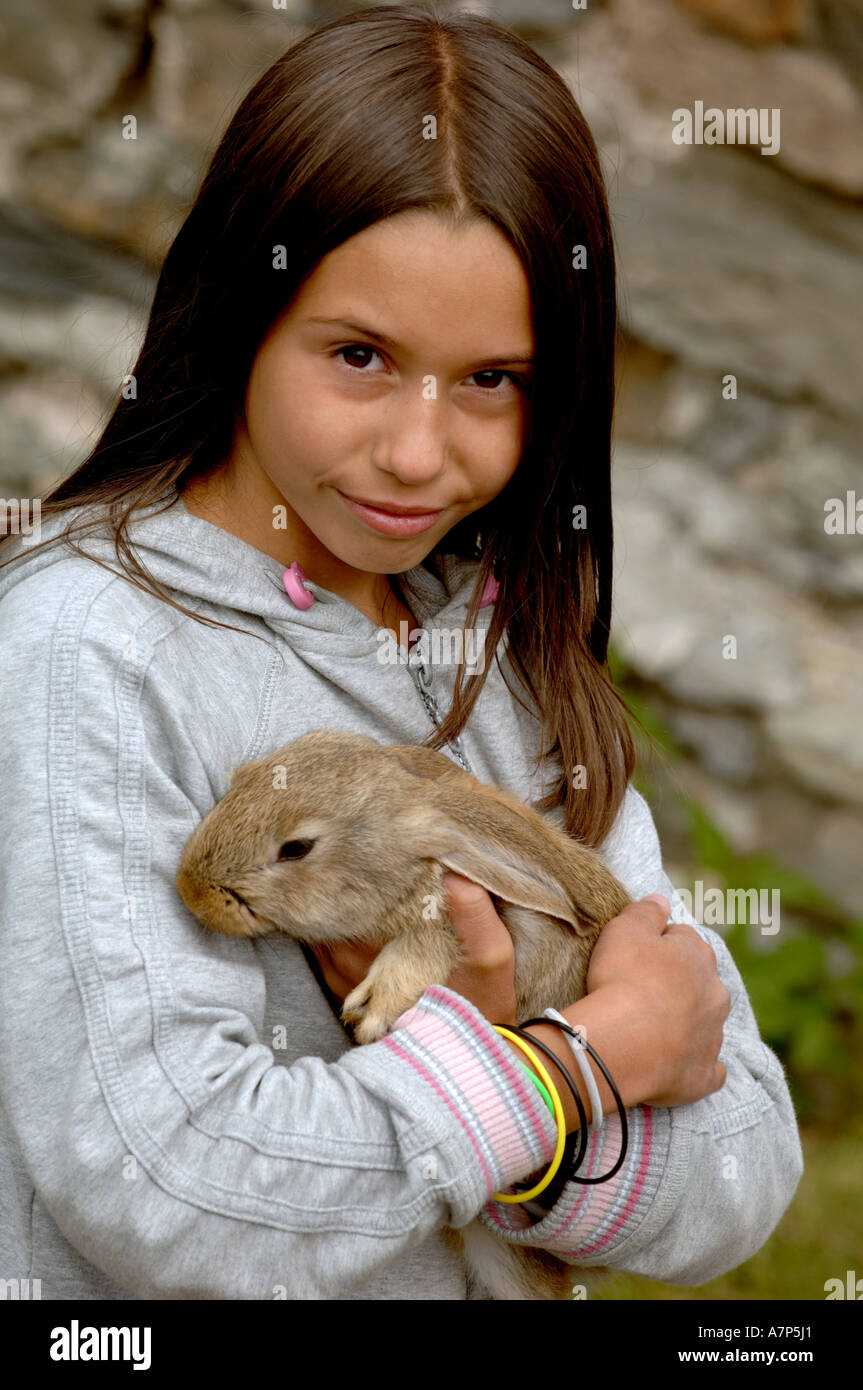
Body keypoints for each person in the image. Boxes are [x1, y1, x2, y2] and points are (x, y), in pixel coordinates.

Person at [0, 3, 802, 1300]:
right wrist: (574, 1066)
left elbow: (745, 1158)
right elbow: (168, 1183)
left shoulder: (511, 661)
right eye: (360, 356)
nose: (421, 452)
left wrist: (529, 1135)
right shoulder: (88, 653)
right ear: (240, 311)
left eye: (491, 379)